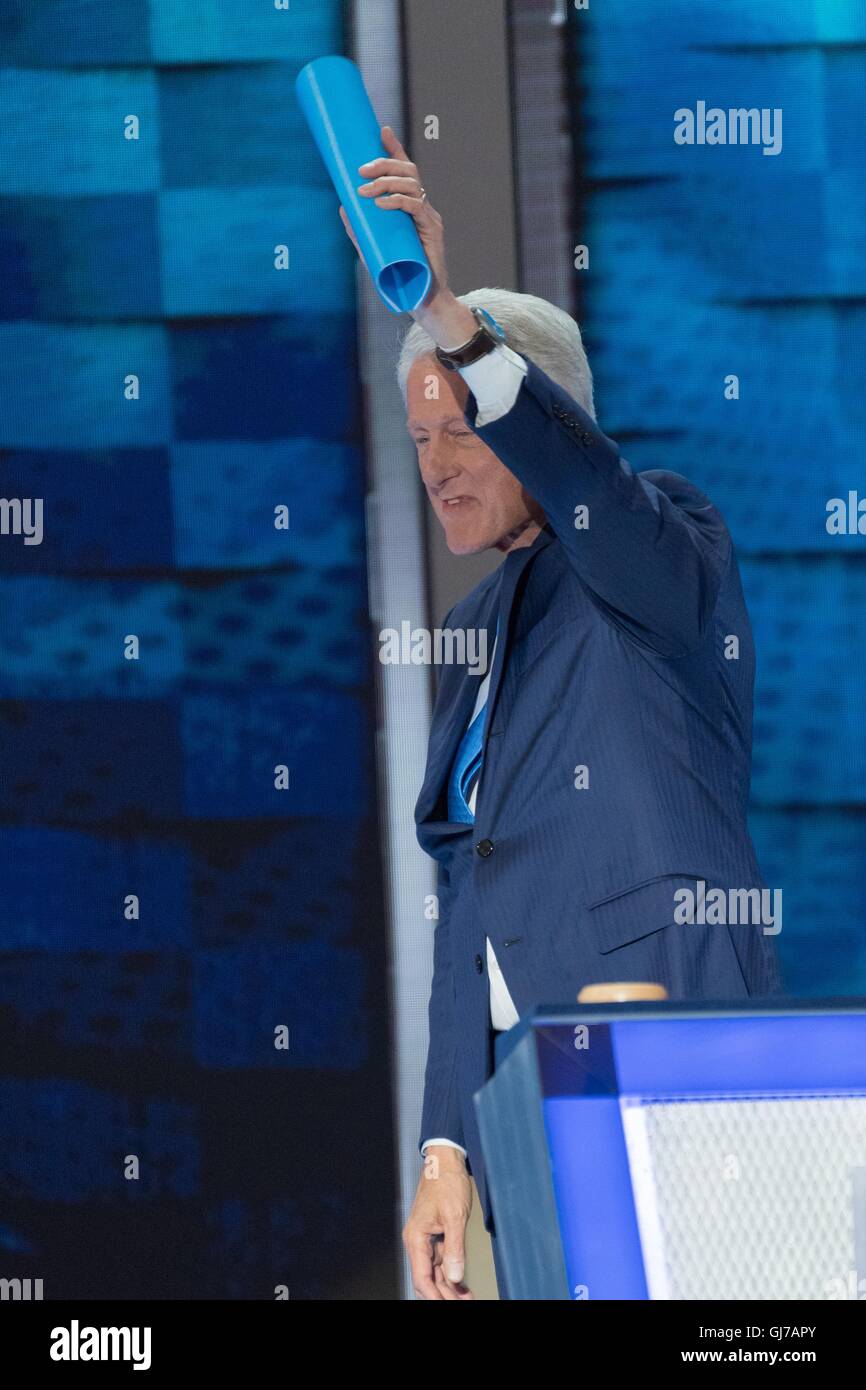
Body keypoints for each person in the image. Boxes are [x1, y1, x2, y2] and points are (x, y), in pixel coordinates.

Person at [341, 126, 782, 1300]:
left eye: (462, 428)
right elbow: (465, 905)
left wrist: (443, 312)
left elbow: (589, 483)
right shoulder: (473, 636)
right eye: (418, 437)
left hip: (662, 1056)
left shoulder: (657, 548)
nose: (436, 463)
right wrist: (441, 1149)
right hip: (519, 1117)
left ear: (541, 423)